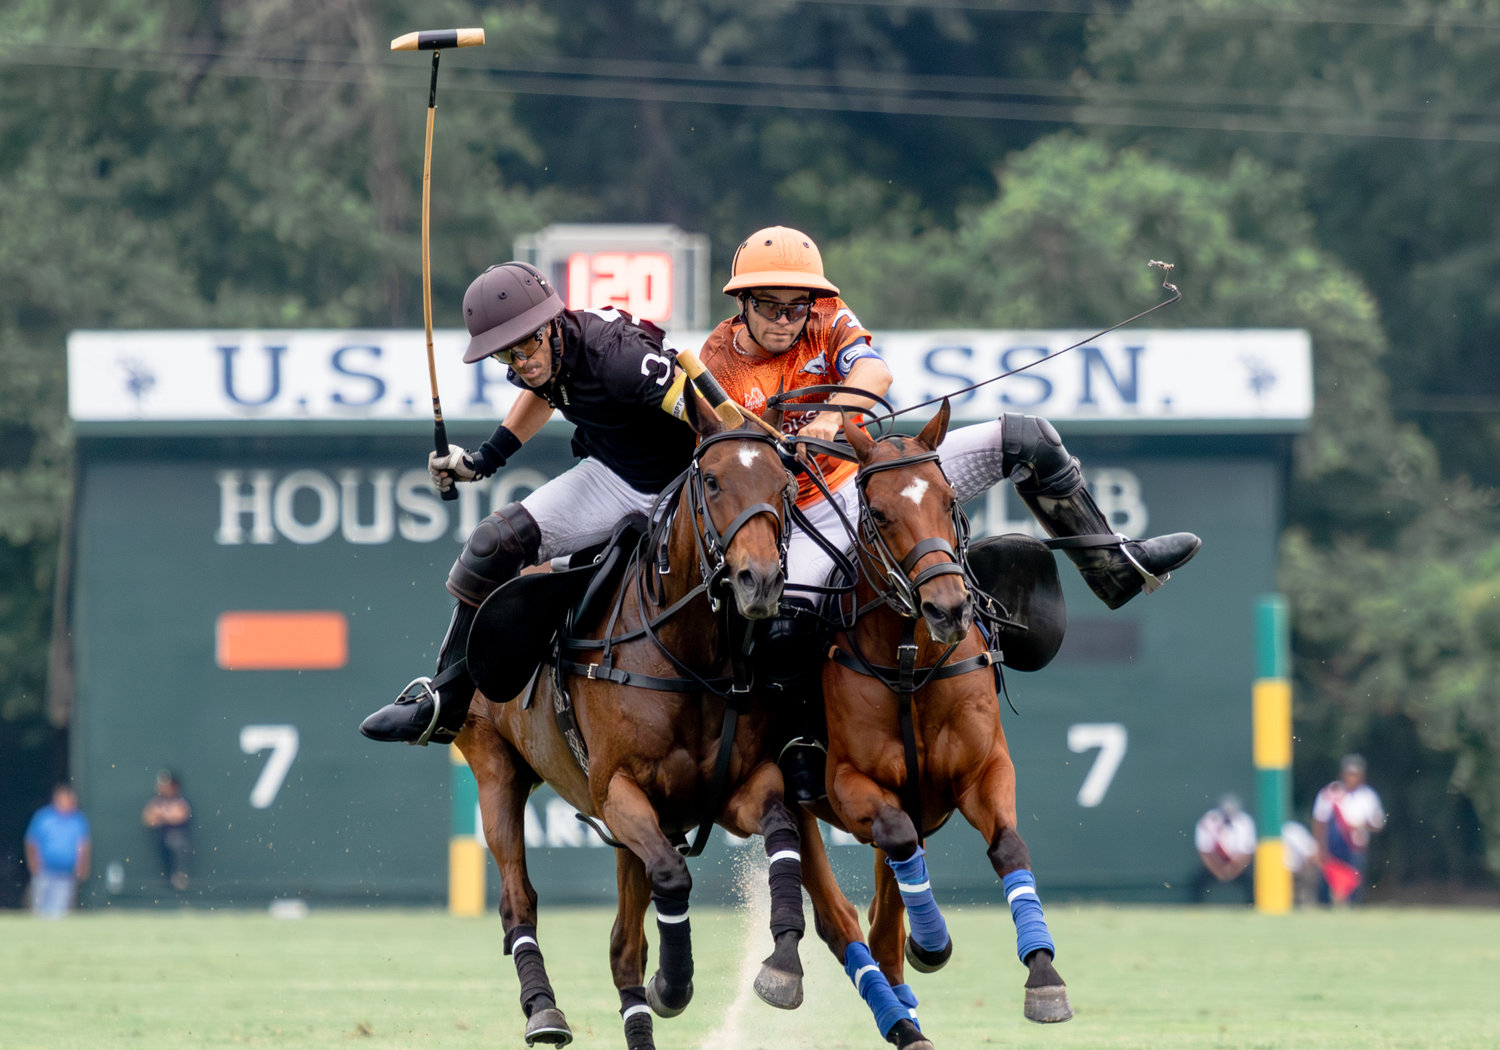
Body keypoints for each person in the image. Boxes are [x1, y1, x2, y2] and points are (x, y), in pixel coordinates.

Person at [696, 225, 1203, 803]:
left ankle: (1111, 565)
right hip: (799, 517)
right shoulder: (718, 360)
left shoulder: (829, 316)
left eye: (796, 306)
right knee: (783, 624)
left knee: (1027, 438)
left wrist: (830, 417)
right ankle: (802, 749)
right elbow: (733, 459)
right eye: (769, 306)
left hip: (874, 481)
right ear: (742, 303)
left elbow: (875, 374)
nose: (786, 319)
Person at [360, 261, 699, 745]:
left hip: (687, 487)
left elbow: (707, 412)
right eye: (507, 357)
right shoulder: (539, 354)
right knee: (492, 542)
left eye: (528, 347)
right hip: (613, 476)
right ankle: (445, 703)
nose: (523, 363)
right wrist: (482, 461)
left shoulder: (618, 357)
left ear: (553, 323)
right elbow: (543, 392)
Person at [1312, 753, 1385, 904]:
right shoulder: (1331, 792)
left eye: (1355, 775)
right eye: (1349, 774)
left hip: (1355, 848)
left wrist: (1361, 825)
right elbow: (1320, 821)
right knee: (1327, 884)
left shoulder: (1368, 796)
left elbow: (1378, 824)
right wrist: (1320, 847)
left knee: (1354, 884)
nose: (1352, 778)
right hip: (1332, 848)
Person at [23, 783, 91, 918]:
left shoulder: (78, 820)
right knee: (39, 910)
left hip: (66, 875)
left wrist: (82, 867)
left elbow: (83, 846)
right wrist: (33, 863)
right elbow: (31, 842)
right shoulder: (43, 817)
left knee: (60, 912)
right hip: (44, 872)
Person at [1190, 795, 1256, 903]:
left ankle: (1252, 906)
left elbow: (1246, 853)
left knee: (1253, 881)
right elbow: (1204, 851)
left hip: (1237, 864)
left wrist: (1233, 869)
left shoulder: (1245, 821)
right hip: (1214, 861)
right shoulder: (1209, 820)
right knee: (1197, 881)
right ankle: (1195, 907)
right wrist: (1218, 870)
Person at [141, 770, 192, 891]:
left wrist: (162, 815)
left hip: (178, 837)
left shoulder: (180, 799)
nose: (164, 788)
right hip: (161, 838)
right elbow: (148, 819)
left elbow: (179, 816)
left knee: (177, 842)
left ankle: (179, 877)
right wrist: (165, 814)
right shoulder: (156, 801)